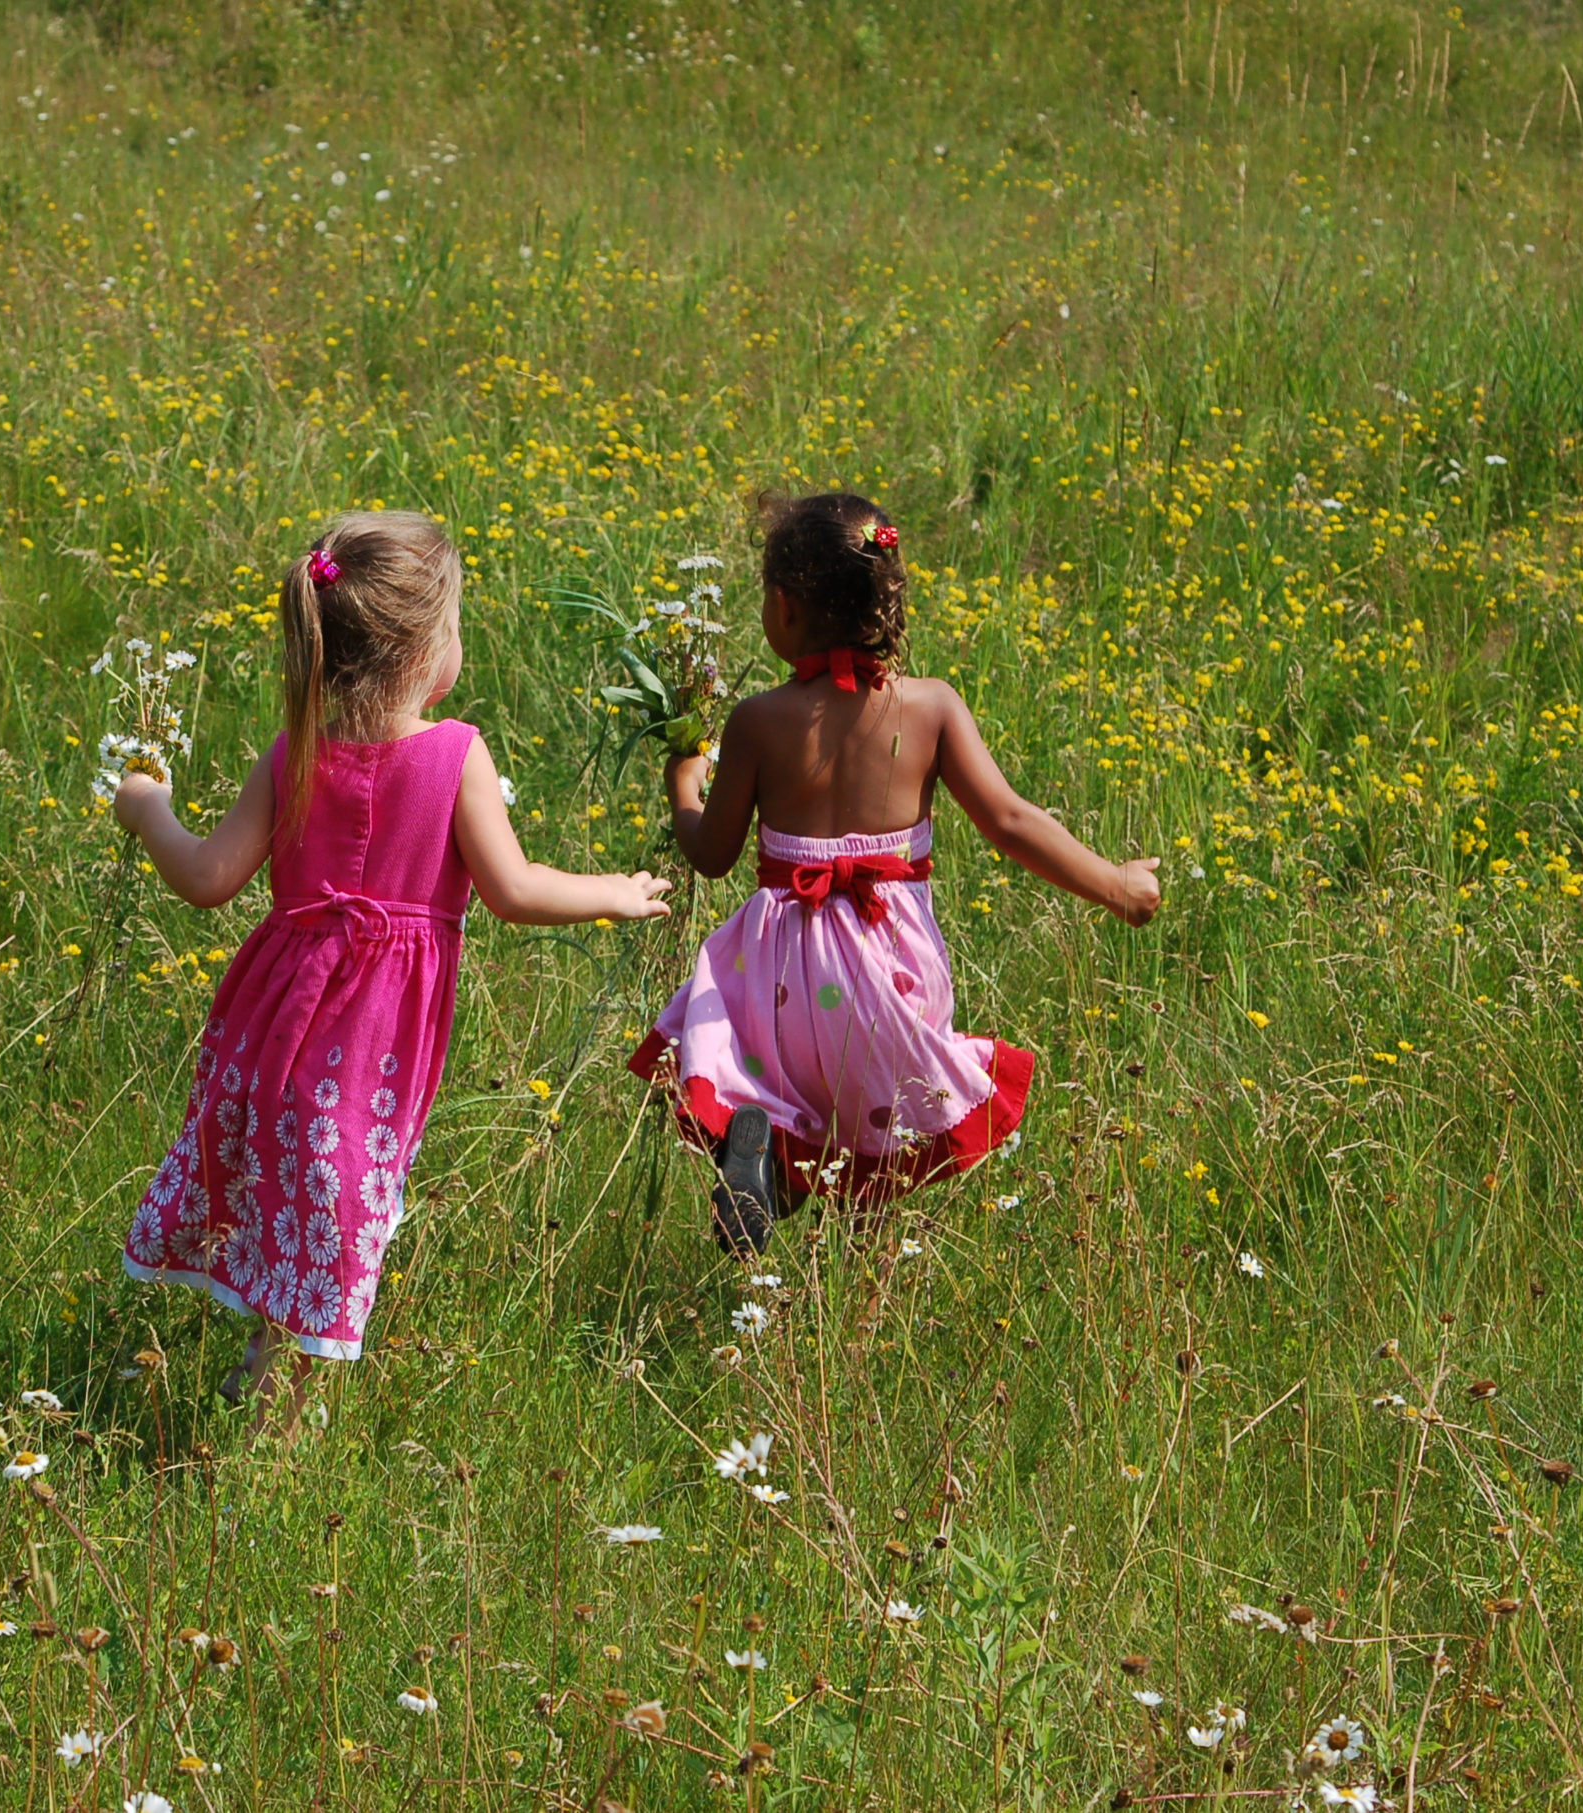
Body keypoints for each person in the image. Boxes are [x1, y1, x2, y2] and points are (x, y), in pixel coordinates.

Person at [114, 511, 670, 1429]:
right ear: (427, 655)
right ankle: (280, 1414)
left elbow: (208, 878)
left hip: (270, 1032)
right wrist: (611, 889)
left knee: (285, 1182)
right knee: (334, 1196)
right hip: (365, 1052)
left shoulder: (296, 752)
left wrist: (149, 811)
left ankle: (267, 1363)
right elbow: (516, 889)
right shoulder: (457, 755)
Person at [632, 492, 1161, 1252]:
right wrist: (1115, 883)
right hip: (886, 979)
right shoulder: (934, 708)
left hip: (781, 974)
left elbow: (710, 854)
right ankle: (860, 1322)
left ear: (783, 608)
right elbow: (1011, 822)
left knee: (771, 1077)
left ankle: (763, 1157)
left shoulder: (757, 721)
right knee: (879, 1149)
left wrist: (684, 784)